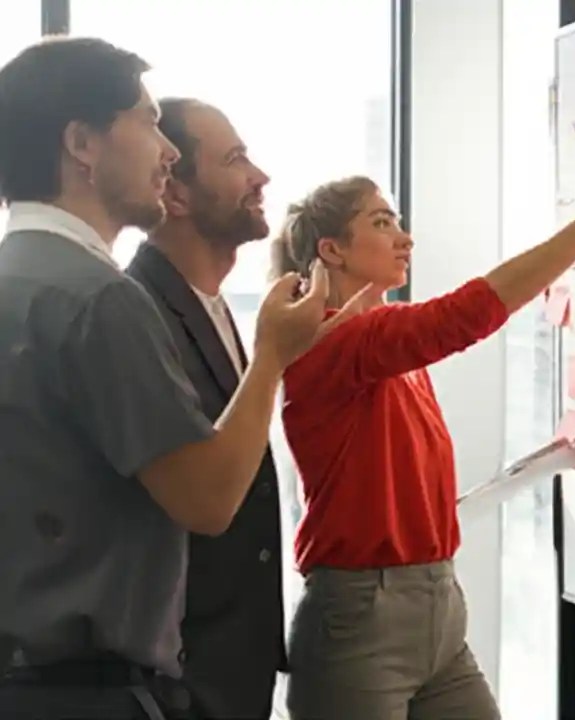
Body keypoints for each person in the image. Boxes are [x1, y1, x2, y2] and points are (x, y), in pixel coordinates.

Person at [0, 37, 370, 719]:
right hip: (95, 689)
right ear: (82, 142)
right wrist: (271, 359)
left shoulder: (17, 277)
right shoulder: (98, 299)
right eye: (145, 122)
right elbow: (207, 500)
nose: (164, 152)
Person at [273, 159, 575, 719]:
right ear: (332, 250)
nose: (404, 237)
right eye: (382, 223)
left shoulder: (391, 352)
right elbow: (472, 313)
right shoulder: (335, 342)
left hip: (435, 604)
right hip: (361, 617)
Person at [125, 97, 284, 719]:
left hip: (233, 665)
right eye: (236, 159)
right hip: (181, 676)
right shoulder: (135, 310)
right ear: (178, 193)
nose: (260, 177)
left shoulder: (219, 307)